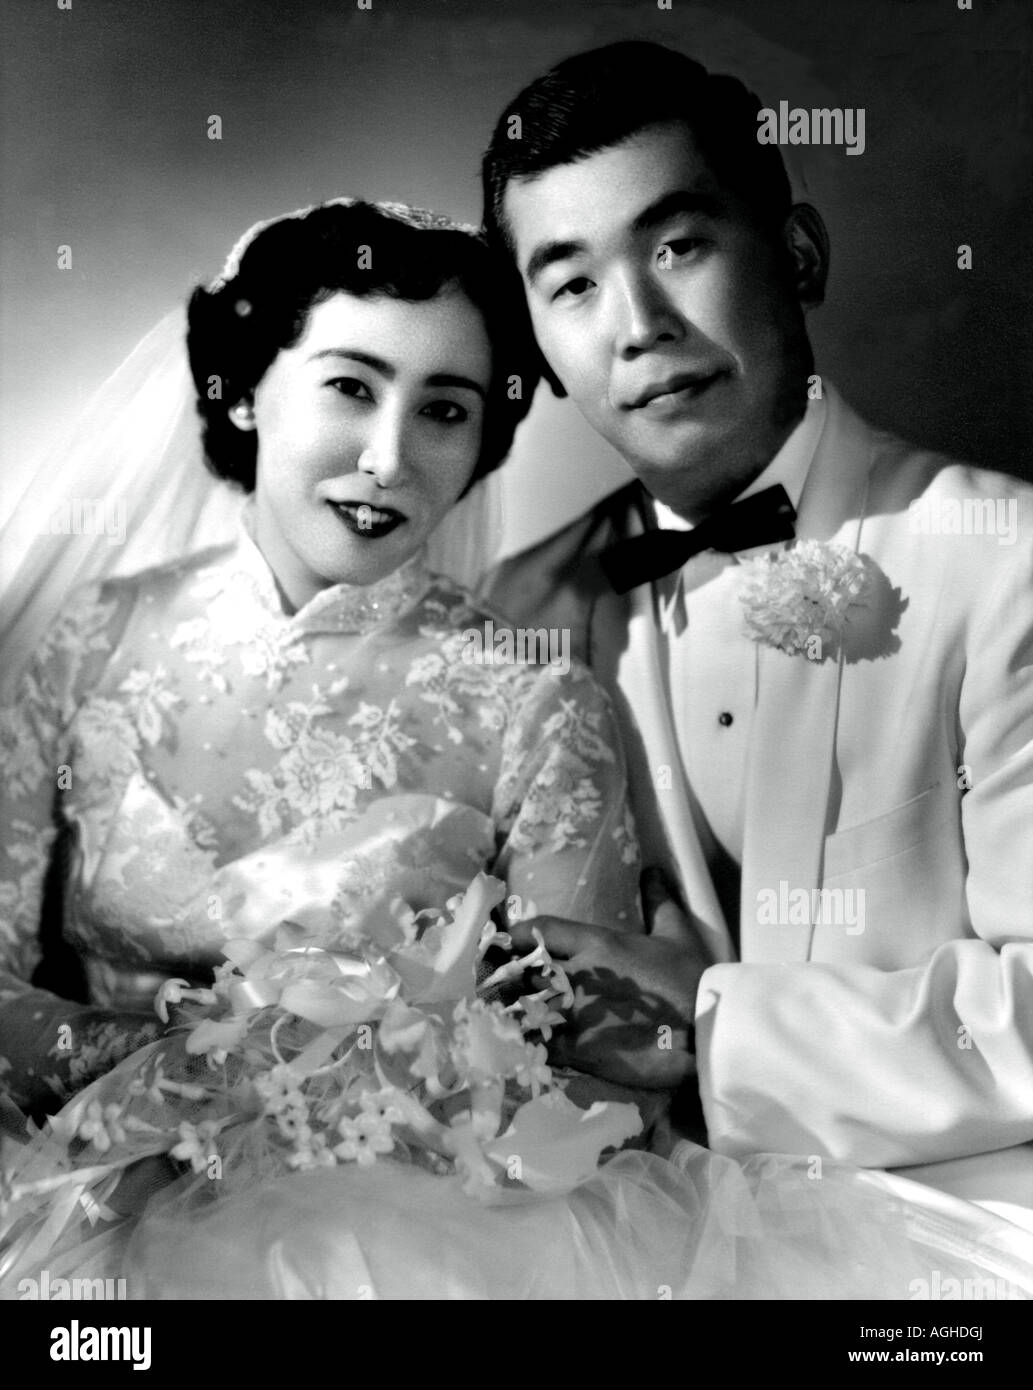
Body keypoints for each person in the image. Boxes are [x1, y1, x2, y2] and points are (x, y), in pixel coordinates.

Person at [2, 198, 1028, 1303]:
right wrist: (165, 1062)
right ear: (248, 389)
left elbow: (600, 1072)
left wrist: (376, 1083)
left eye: (443, 410)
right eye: (350, 387)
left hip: (425, 1230)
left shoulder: (533, 690)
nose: (390, 458)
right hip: (73, 1188)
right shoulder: (87, 638)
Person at [479, 40, 1033, 1226]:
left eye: (677, 246)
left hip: (974, 1235)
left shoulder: (1006, 559)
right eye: (570, 284)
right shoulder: (523, 614)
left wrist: (717, 1024)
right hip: (657, 1231)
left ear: (797, 254)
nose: (635, 325)